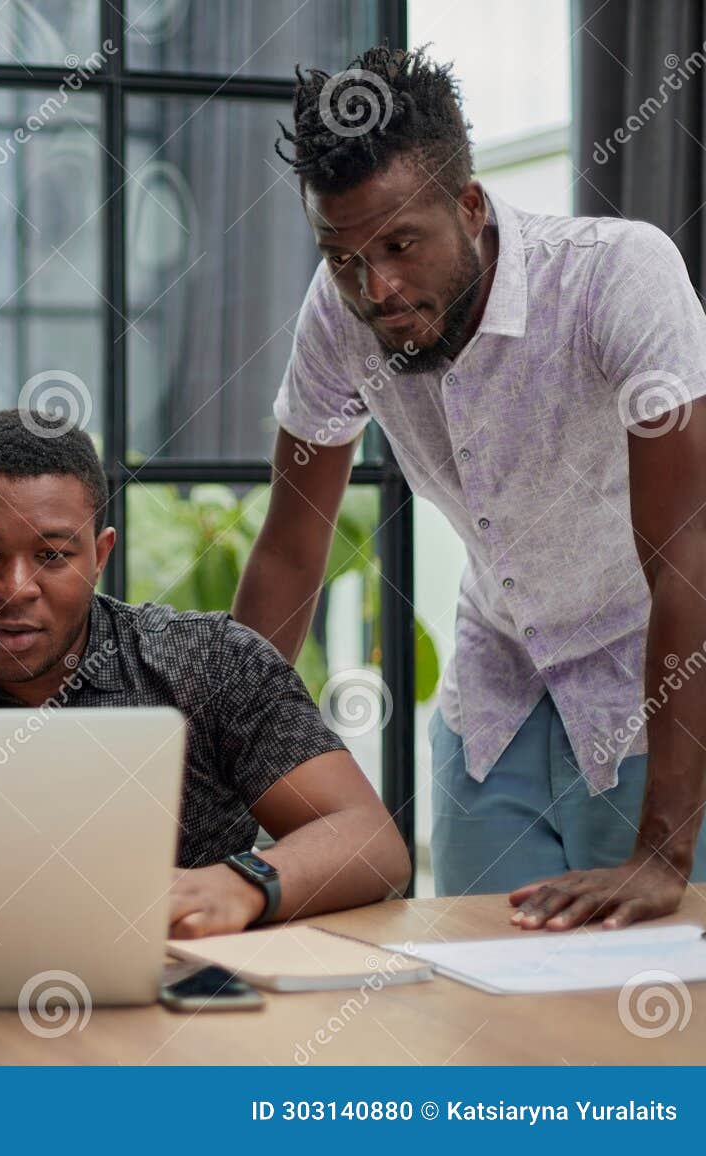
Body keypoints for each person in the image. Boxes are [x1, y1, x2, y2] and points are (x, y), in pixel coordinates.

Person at [233, 45, 706, 929]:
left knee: (655, 1025)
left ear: (472, 206)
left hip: (662, 700)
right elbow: (293, 552)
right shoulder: (339, 313)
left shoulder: (616, 276)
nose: (376, 288)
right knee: (488, 1016)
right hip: (497, 712)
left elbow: (686, 554)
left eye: (401, 245)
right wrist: (213, 780)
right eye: (343, 258)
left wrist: (660, 851)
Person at [0, 409, 410, 939]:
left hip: (182, 1004)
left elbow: (373, 843)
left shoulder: (210, 664)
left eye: (53, 555)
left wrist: (243, 882)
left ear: (100, 555)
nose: (14, 588)